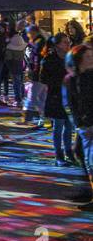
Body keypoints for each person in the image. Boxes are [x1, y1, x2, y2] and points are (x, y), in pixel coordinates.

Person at [62, 43, 93, 204]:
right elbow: (70, 105)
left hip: (90, 125)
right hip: (83, 126)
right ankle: (87, 189)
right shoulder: (71, 79)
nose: (91, 59)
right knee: (80, 153)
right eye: (88, 57)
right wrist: (80, 124)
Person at [39, 34, 73, 166]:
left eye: (68, 42)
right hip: (56, 96)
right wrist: (60, 83)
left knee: (69, 126)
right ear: (57, 45)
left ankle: (69, 152)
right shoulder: (49, 60)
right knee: (58, 126)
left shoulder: (71, 57)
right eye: (65, 42)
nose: (68, 44)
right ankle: (59, 155)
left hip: (70, 96)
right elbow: (43, 78)